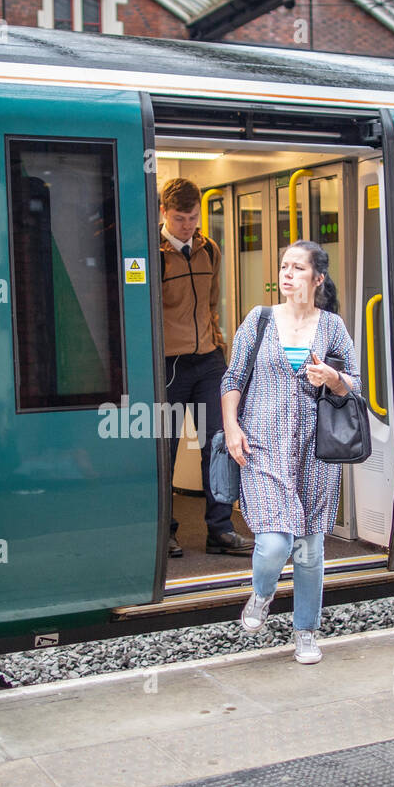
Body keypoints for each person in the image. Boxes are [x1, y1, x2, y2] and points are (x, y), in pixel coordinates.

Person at [221, 241, 360, 665]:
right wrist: (230, 426)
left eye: (297, 268)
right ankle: (262, 595)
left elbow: (354, 384)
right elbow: (233, 376)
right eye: (284, 266)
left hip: (316, 449)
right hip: (263, 445)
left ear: (318, 278)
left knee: (310, 547)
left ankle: (306, 631)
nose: (287, 274)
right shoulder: (259, 319)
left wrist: (332, 377)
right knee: (274, 543)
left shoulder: (332, 326)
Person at [159, 177, 252, 558]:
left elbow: (211, 302)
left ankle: (220, 528)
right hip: (167, 365)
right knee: (161, 449)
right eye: (180, 218)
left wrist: (217, 344)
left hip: (209, 361)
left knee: (219, 444)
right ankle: (164, 530)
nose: (188, 226)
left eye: (194, 217)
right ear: (164, 213)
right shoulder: (153, 252)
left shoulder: (209, 249)